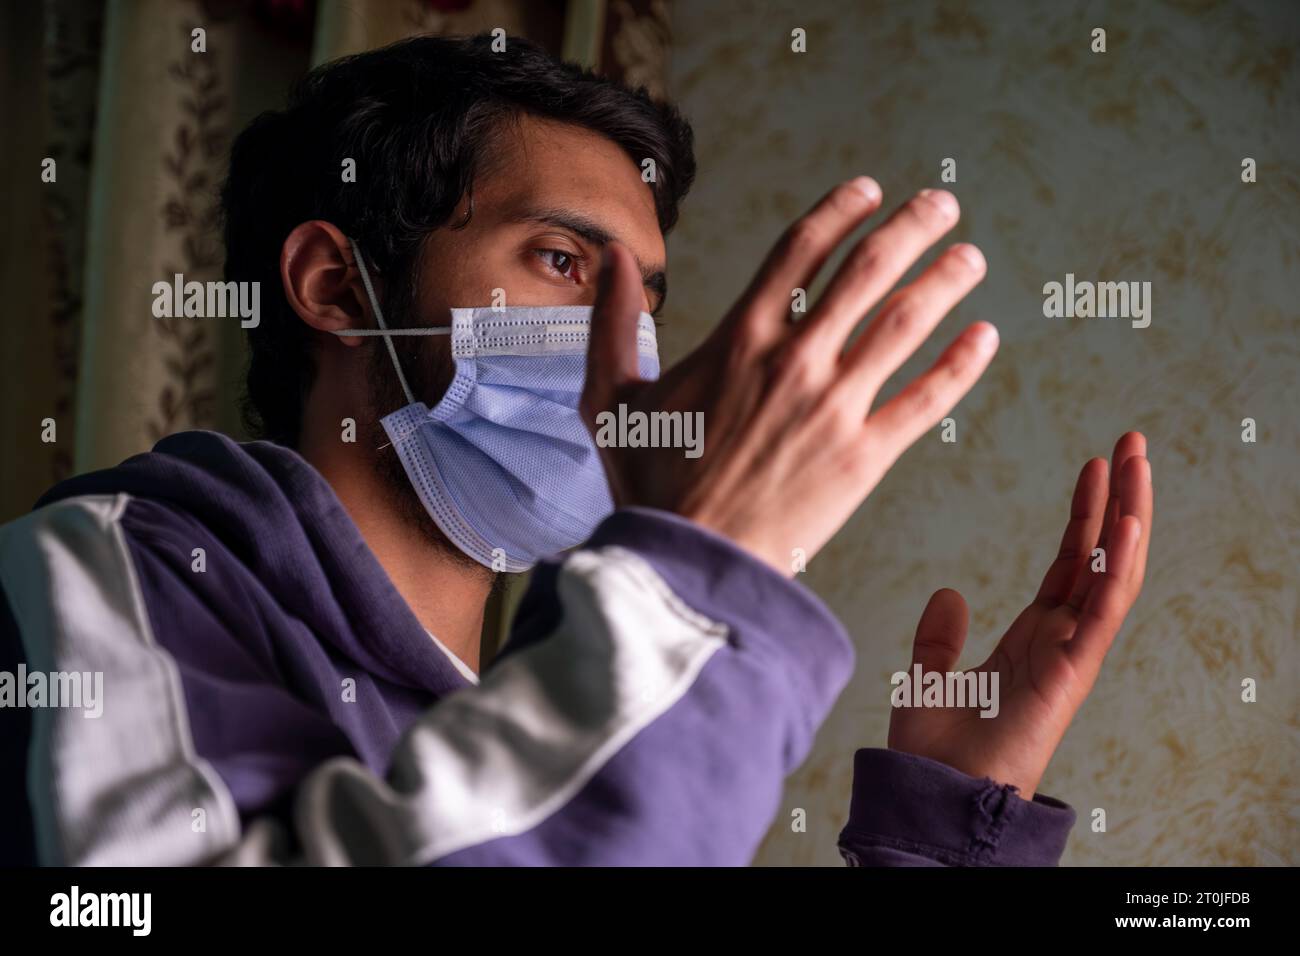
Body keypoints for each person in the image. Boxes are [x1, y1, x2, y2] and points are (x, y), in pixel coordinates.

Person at [0, 33, 1152, 866]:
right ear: (336, 284)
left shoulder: (542, 707)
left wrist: (946, 827)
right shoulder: (98, 575)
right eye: (562, 261)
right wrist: (705, 570)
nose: (627, 345)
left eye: (647, 295)